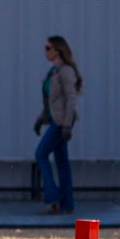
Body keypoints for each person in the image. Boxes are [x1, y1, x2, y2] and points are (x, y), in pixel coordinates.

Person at [33, 36, 82, 215]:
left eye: (48, 48)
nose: (46, 51)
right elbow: (50, 102)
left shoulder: (65, 71)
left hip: (61, 123)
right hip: (56, 120)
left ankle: (53, 197)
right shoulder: (54, 72)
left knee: (41, 154)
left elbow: (71, 99)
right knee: (62, 162)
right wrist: (41, 119)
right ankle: (67, 204)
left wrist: (67, 125)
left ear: (57, 50)